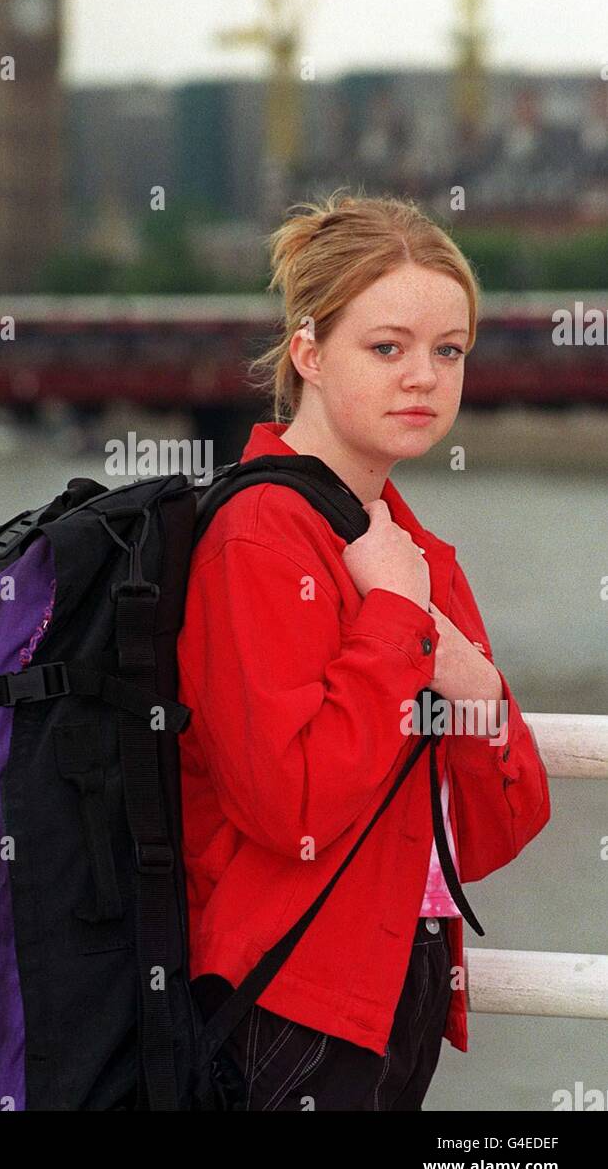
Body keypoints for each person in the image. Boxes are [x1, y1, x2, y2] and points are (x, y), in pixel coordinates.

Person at [177, 191, 551, 1111]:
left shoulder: (413, 552)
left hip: (401, 983)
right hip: (288, 993)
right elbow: (289, 802)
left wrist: (476, 688)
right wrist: (391, 616)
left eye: (448, 350)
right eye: (386, 347)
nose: (423, 376)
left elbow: (499, 828)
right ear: (308, 353)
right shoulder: (260, 536)